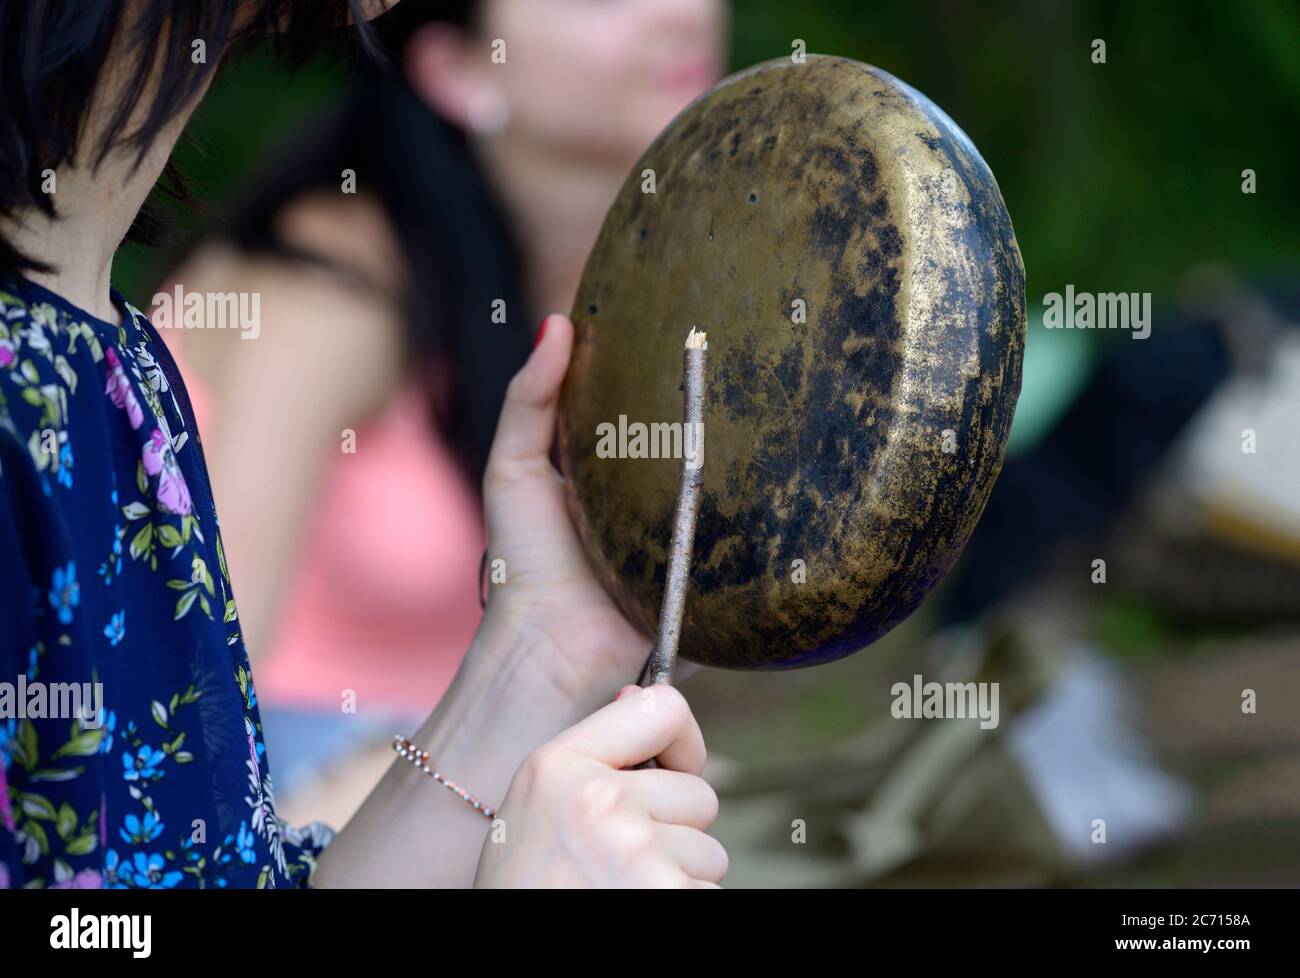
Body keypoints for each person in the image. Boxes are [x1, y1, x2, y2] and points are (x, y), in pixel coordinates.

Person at [0, 0, 726, 889]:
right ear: (459, 70)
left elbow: (193, 865)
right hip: (319, 761)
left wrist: (545, 653)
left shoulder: (107, 342)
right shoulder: (315, 293)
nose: (681, 9)